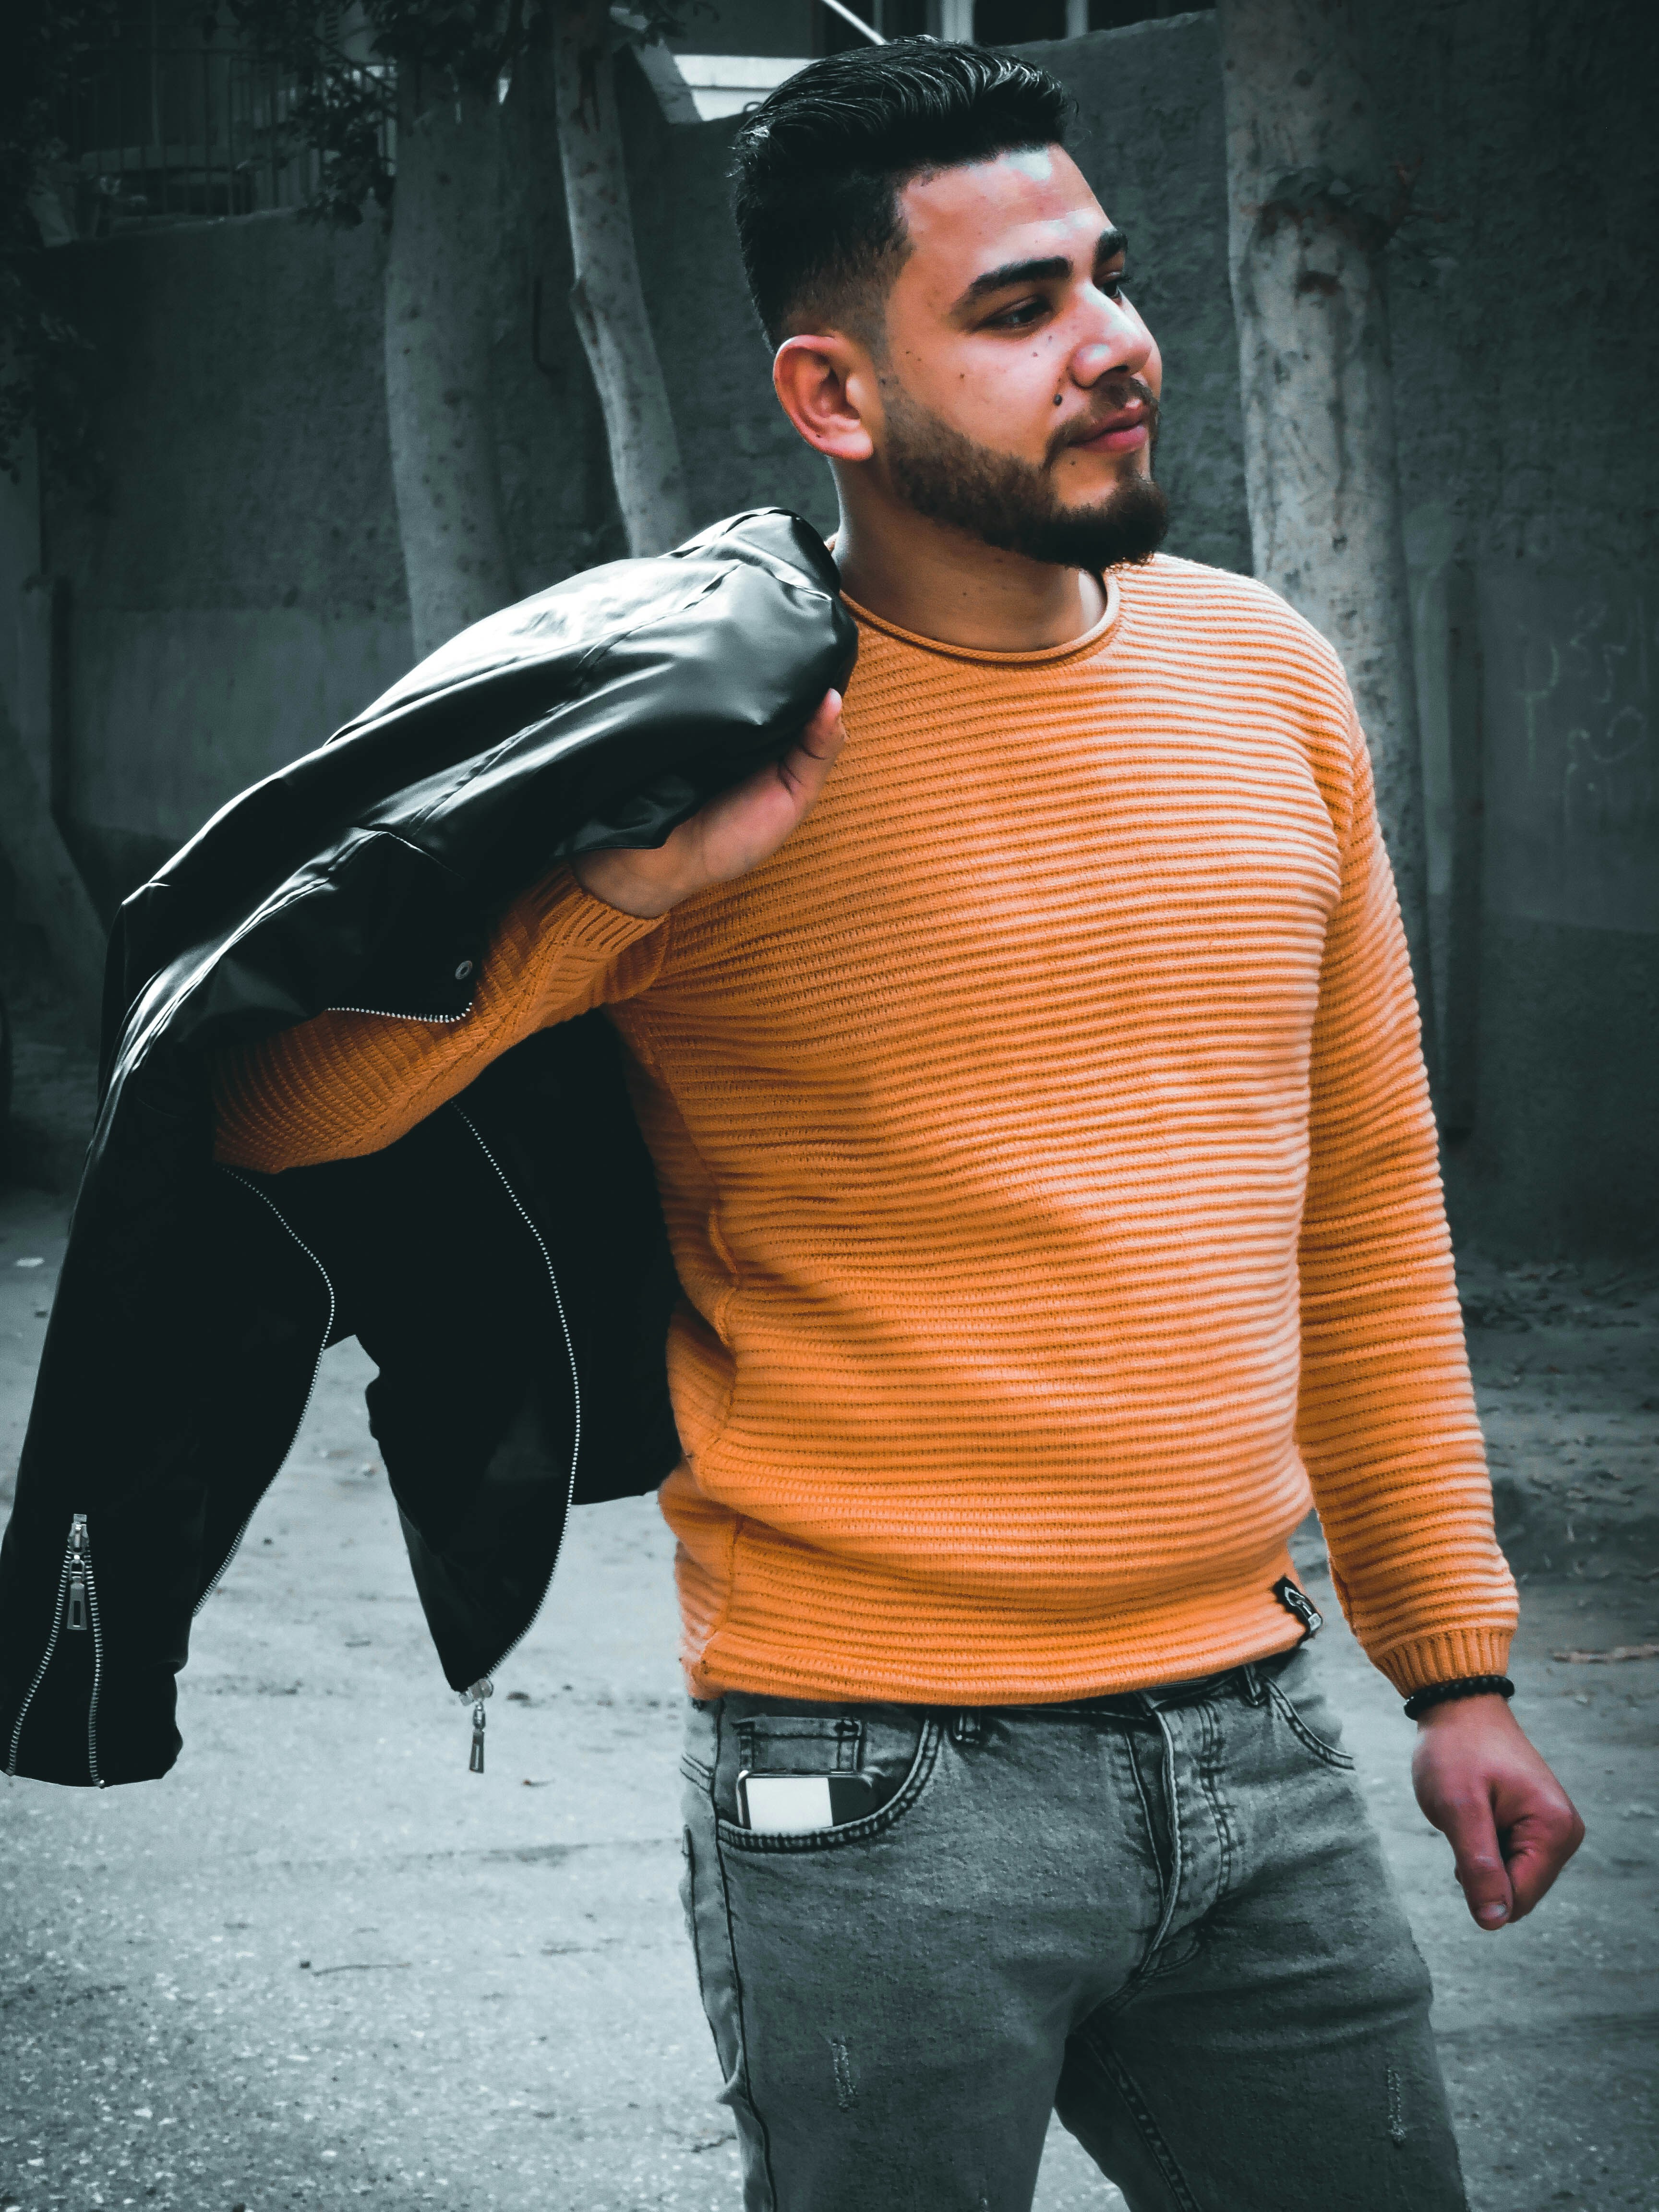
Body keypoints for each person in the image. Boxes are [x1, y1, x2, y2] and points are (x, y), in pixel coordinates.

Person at [211, 40, 1582, 2212]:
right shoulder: (681, 746)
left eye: (1109, 277)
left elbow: (1364, 1197)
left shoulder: (1272, 680)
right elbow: (268, 1117)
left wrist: (1459, 1662)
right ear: (835, 396)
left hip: (1261, 1737)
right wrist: (616, 894)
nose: (1122, 343)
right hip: (862, 1787)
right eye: (1022, 307)